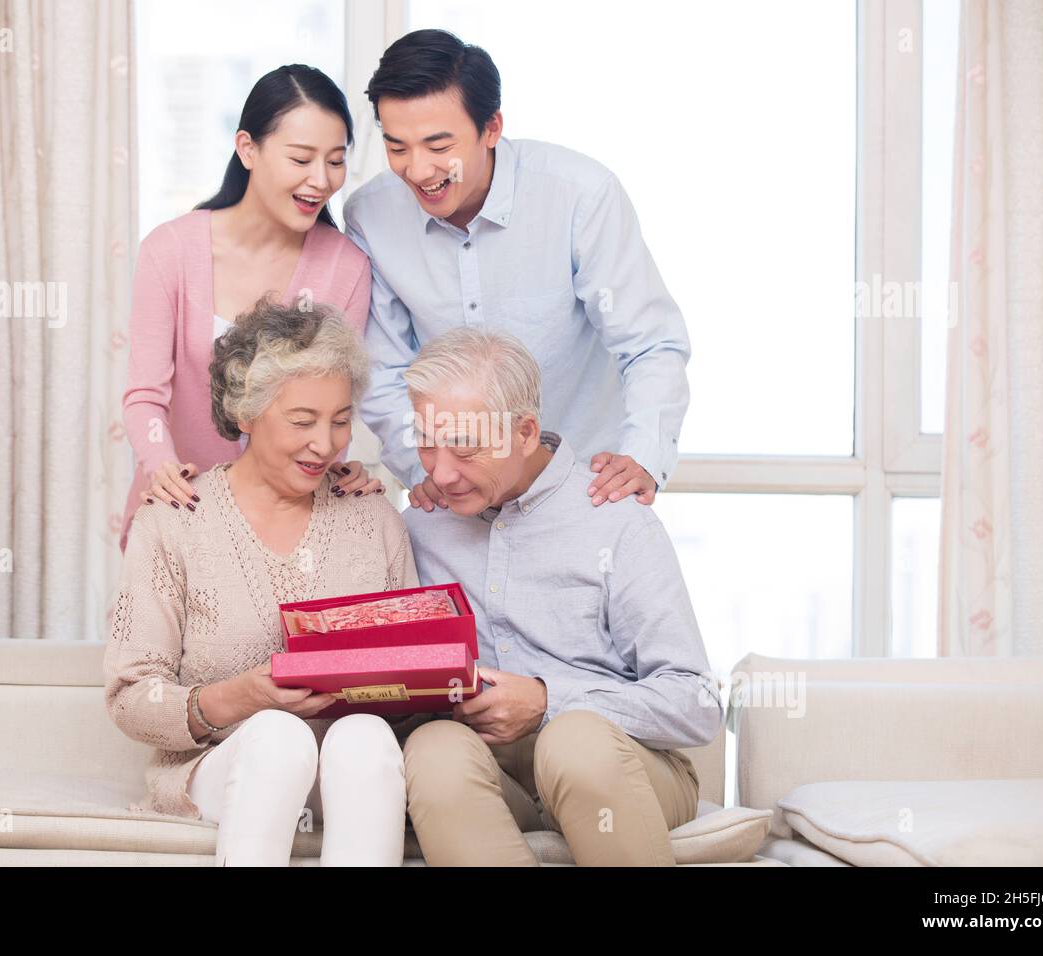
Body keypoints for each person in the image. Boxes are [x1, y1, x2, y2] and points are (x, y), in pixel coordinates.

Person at [105, 297, 420, 866]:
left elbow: (415, 686)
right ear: (246, 412)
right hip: (223, 769)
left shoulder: (373, 518)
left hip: (343, 777)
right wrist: (238, 698)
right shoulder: (173, 522)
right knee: (277, 734)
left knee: (368, 736)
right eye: (302, 421)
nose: (325, 445)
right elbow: (131, 698)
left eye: (341, 421)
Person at [397, 327, 723, 866]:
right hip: (501, 779)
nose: (441, 471)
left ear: (525, 431)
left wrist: (550, 702)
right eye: (426, 443)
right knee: (432, 750)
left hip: (621, 769)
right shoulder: (423, 525)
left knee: (574, 743)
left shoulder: (615, 519)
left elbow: (697, 704)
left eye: (464, 447)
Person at [344, 29, 690, 514]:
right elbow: (384, 370)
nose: (418, 171)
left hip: (583, 491)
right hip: (453, 499)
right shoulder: (372, 216)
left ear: (491, 128)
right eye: (397, 147)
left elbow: (651, 344)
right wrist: (427, 468)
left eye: (439, 146)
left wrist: (643, 455)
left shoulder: (579, 196)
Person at [120, 64, 381, 553]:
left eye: (335, 160)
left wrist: (339, 466)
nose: (321, 180)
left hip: (289, 526)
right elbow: (144, 395)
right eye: (301, 159)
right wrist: (161, 466)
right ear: (248, 149)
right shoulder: (170, 251)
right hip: (183, 513)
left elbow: (334, 402)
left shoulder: (346, 267)